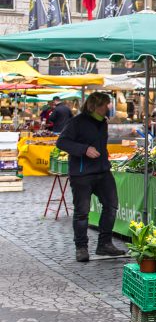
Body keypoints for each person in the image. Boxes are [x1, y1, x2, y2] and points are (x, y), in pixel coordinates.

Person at [57, 92, 124, 262]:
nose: (108, 108)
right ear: (94, 105)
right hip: (82, 174)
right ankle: (81, 247)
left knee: (111, 205)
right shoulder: (77, 122)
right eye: (105, 105)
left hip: (102, 171)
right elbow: (62, 142)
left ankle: (105, 244)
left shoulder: (103, 123)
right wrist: (84, 149)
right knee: (82, 212)